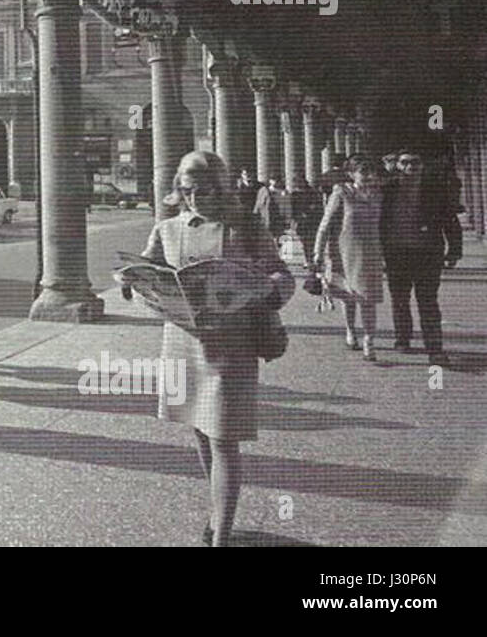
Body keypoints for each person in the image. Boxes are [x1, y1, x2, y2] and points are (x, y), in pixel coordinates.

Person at [136, 151, 292, 547]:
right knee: (200, 431)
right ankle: (217, 512)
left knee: (224, 436)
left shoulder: (247, 226)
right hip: (182, 341)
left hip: (231, 344)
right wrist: (141, 289)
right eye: (186, 191)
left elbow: (282, 274)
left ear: (222, 188)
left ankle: (220, 536)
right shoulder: (166, 229)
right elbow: (144, 275)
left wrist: (264, 288)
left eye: (204, 190)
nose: (194, 198)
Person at [380, 149, 461, 366]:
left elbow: (450, 219)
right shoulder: (387, 190)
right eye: (405, 162)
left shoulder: (435, 190)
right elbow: (377, 222)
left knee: (428, 301)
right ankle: (403, 338)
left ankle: (435, 349)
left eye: (415, 162)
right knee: (399, 300)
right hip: (397, 253)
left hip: (427, 253)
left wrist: (455, 250)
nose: (411, 167)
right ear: (398, 165)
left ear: (422, 165)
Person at [312, 155, 385, 361]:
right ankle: (350, 330)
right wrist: (318, 252)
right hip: (344, 251)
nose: (369, 175)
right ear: (351, 174)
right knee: (348, 295)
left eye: (371, 171)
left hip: (370, 252)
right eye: (363, 171)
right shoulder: (342, 192)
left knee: (368, 298)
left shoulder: (378, 194)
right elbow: (325, 224)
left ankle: (369, 340)